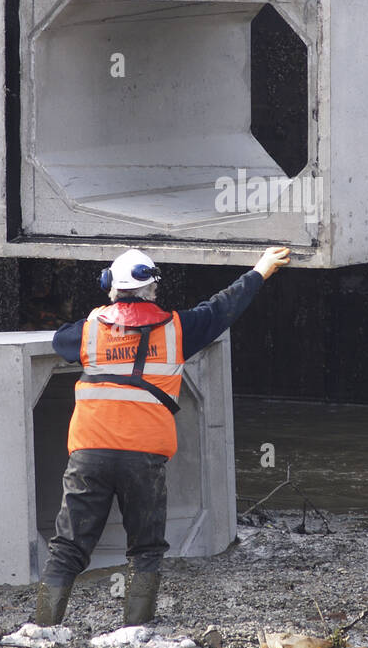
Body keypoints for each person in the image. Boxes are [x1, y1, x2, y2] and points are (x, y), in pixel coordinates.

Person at [35, 244, 291, 627]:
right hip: (144, 457)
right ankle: (135, 629)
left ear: (111, 286)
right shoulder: (178, 329)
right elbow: (223, 308)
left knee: (69, 546)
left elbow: (59, 342)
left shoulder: (89, 331)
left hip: (89, 453)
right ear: (151, 290)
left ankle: (43, 627)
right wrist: (260, 270)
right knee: (146, 549)